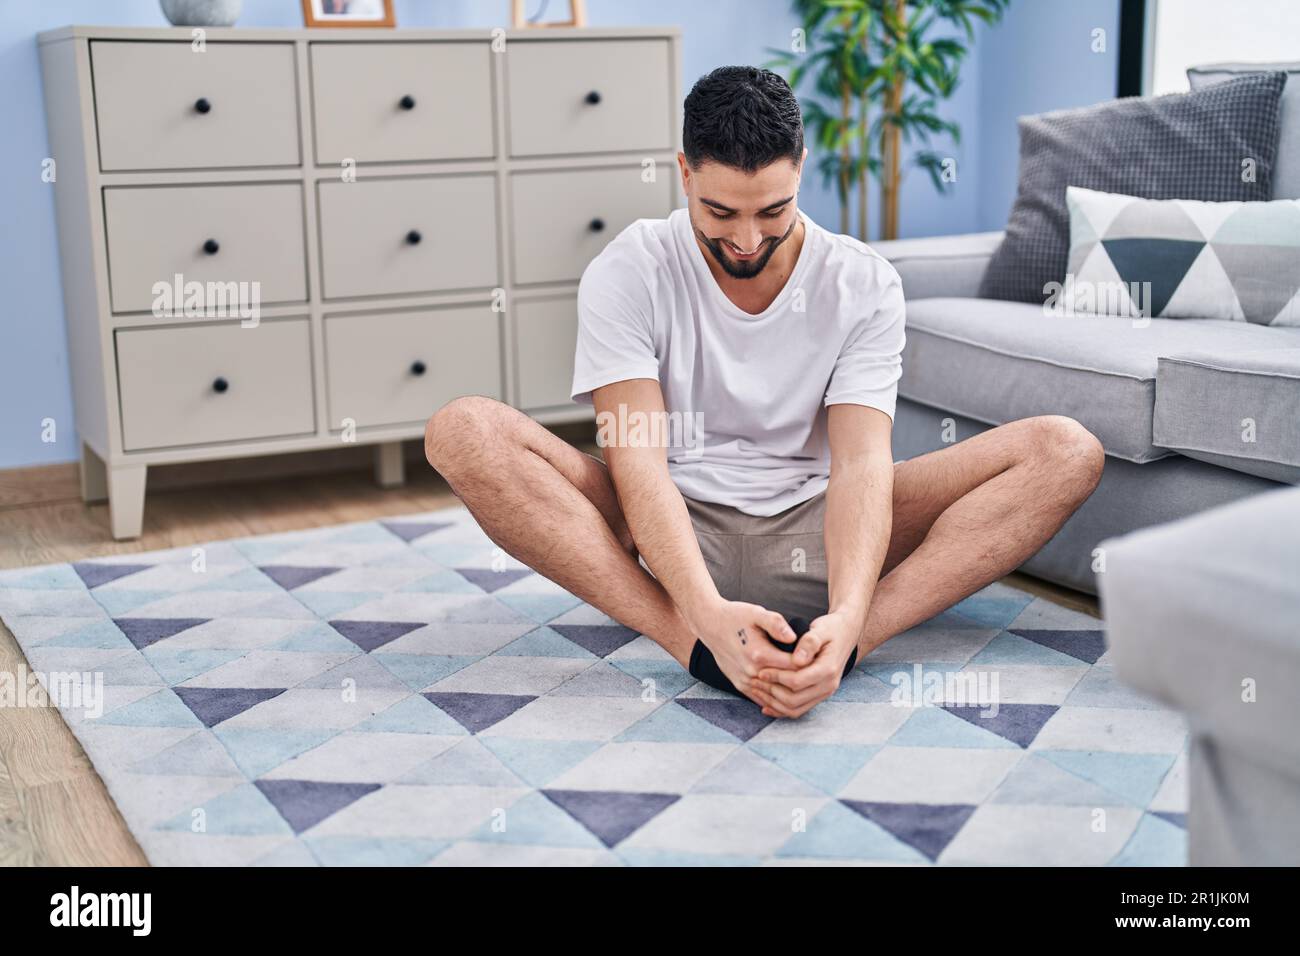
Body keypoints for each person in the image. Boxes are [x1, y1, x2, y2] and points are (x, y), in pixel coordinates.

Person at [424, 66, 1103, 719]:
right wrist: (703, 616)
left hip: (819, 529)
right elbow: (637, 461)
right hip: (669, 531)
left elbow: (863, 463)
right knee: (463, 430)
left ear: (801, 167)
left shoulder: (862, 283)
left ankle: (846, 643)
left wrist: (848, 616)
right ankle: (693, 644)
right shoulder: (630, 268)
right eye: (720, 212)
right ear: (684, 173)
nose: (747, 240)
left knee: (1066, 450)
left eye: (773, 210)